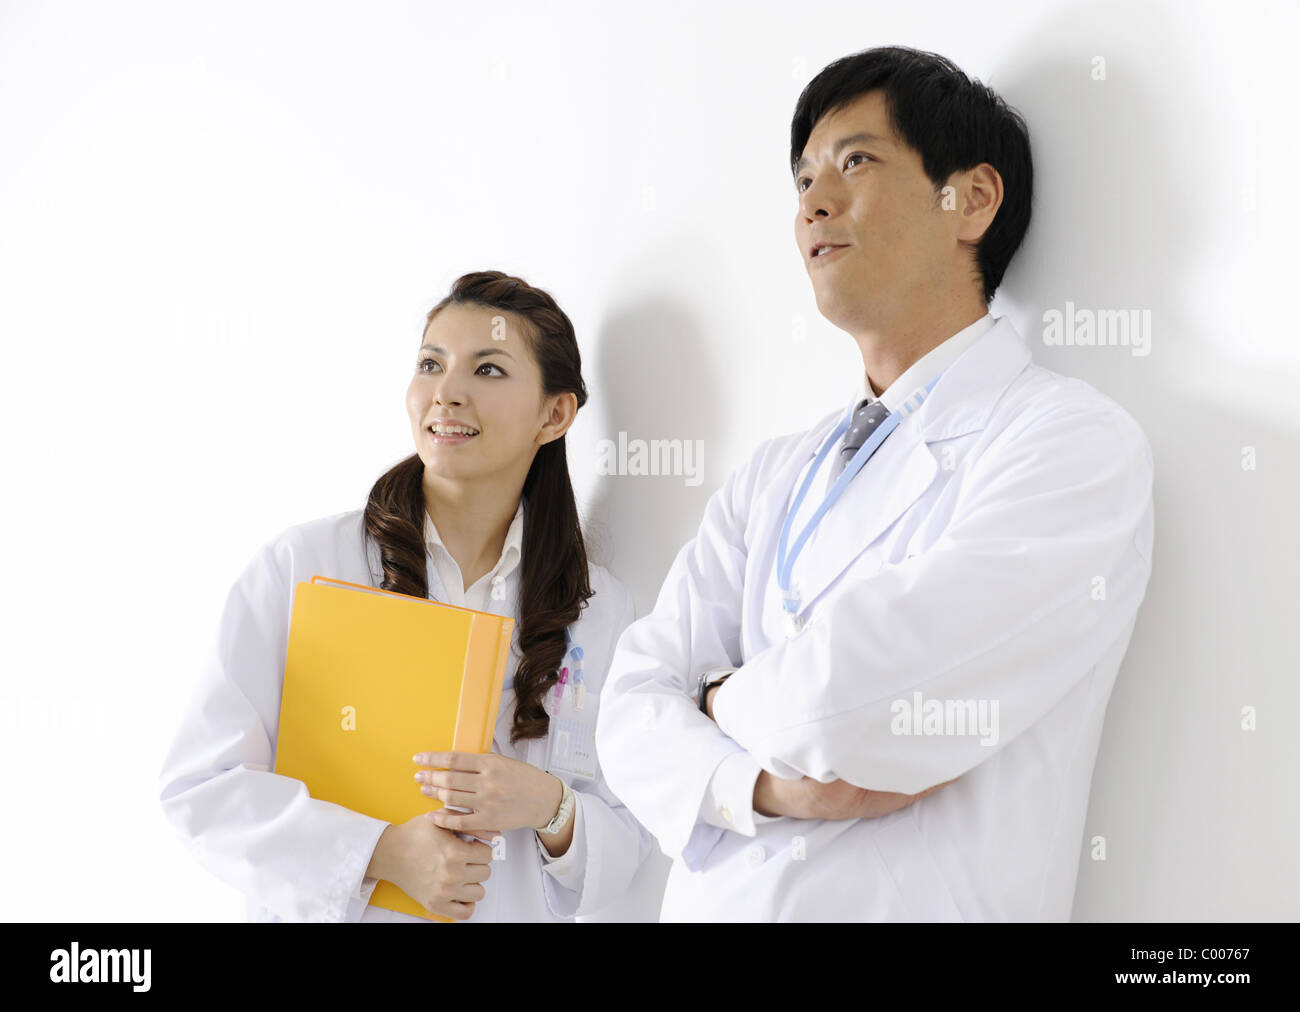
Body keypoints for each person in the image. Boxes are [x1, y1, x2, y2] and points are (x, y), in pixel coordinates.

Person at [596, 46, 1155, 921]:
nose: (814, 203)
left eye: (855, 162)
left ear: (971, 199)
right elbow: (627, 710)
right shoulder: (775, 472)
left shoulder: (1070, 446)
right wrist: (760, 788)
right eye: (803, 179)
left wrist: (712, 702)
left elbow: (847, 705)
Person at [159, 270, 652, 922]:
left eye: (489, 370)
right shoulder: (304, 567)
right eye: (431, 364)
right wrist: (380, 852)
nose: (446, 394)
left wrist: (549, 806)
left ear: (554, 414)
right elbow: (203, 788)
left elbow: (640, 837)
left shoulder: (604, 613)